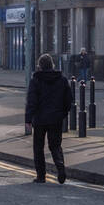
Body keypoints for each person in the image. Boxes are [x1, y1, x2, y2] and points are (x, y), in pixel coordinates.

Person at [25, 53, 74, 185]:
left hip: (40, 119)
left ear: (40, 66)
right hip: (56, 118)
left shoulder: (36, 80)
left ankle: (41, 176)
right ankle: (61, 168)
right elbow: (69, 100)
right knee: (55, 146)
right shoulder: (62, 79)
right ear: (52, 65)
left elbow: (31, 101)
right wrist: (63, 113)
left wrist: (28, 119)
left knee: (38, 148)